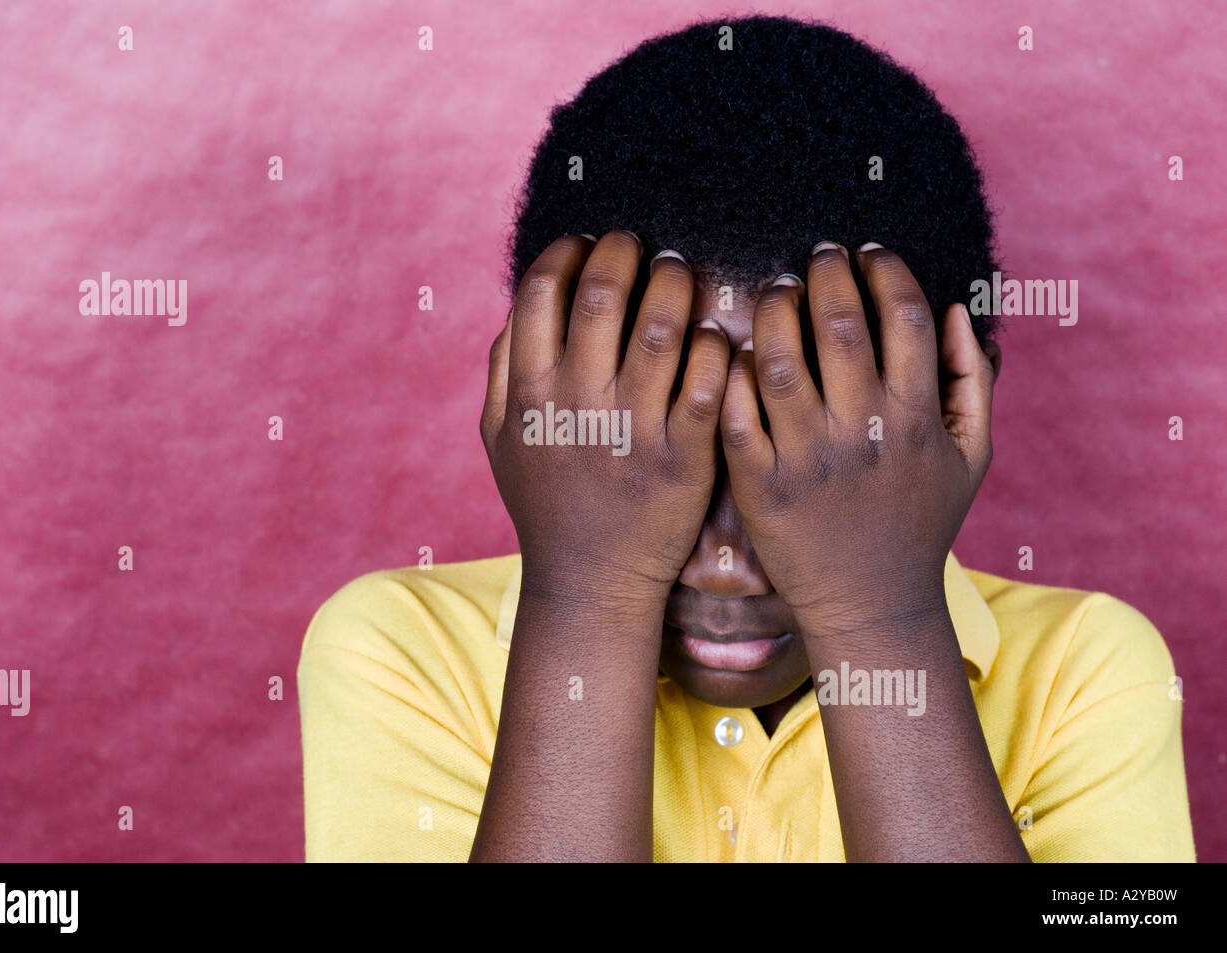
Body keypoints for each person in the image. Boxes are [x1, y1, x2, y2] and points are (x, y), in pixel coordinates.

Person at [298, 15, 1195, 862]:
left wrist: (878, 613)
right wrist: (589, 593)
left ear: (961, 404)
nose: (727, 561)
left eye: (811, 454)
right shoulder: (401, 652)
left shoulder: (1087, 671)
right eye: (655, 444)